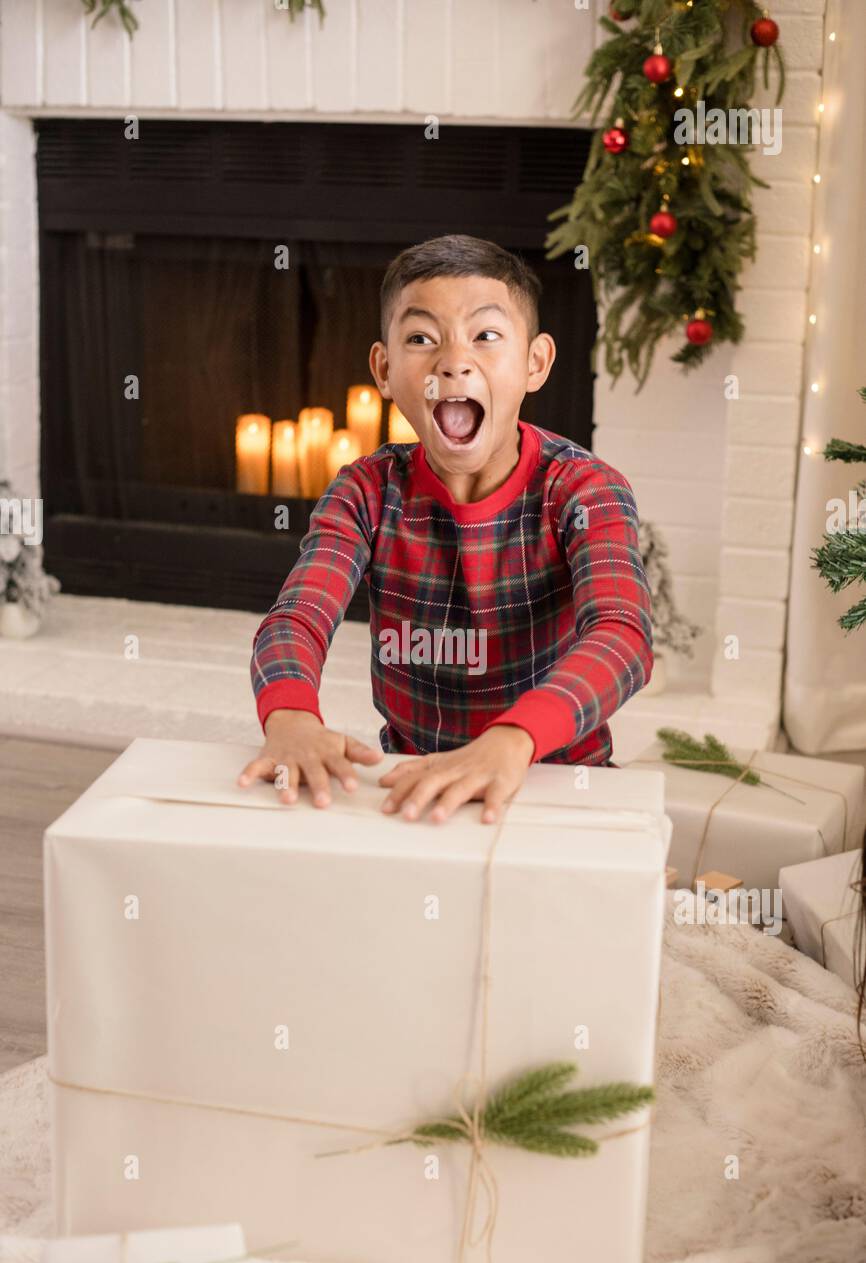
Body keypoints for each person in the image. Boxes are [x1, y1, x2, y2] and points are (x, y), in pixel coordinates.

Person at [239, 233, 653, 823]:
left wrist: (515, 738)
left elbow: (622, 637)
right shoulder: (365, 491)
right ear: (383, 370)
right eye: (420, 338)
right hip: (412, 786)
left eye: (485, 336)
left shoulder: (584, 489)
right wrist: (291, 719)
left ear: (535, 363)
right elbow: (296, 620)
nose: (453, 360)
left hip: (556, 783)